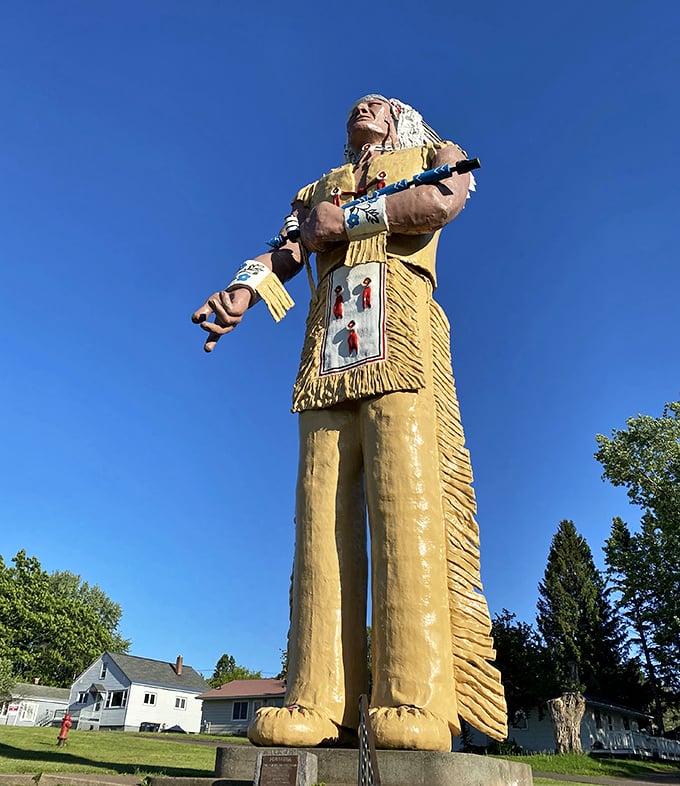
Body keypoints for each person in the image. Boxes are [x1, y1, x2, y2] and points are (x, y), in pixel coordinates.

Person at [192, 95, 506, 752]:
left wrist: (350, 218)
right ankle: (316, 698)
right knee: (319, 518)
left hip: (401, 337)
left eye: (382, 102)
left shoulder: (438, 155)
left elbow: (443, 201)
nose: (364, 104)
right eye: (358, 102)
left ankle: (416, 697)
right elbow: (286, 249)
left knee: (406, 508)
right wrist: (241, 293)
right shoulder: (312, 192)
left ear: (402, 119)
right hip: (326, 350)